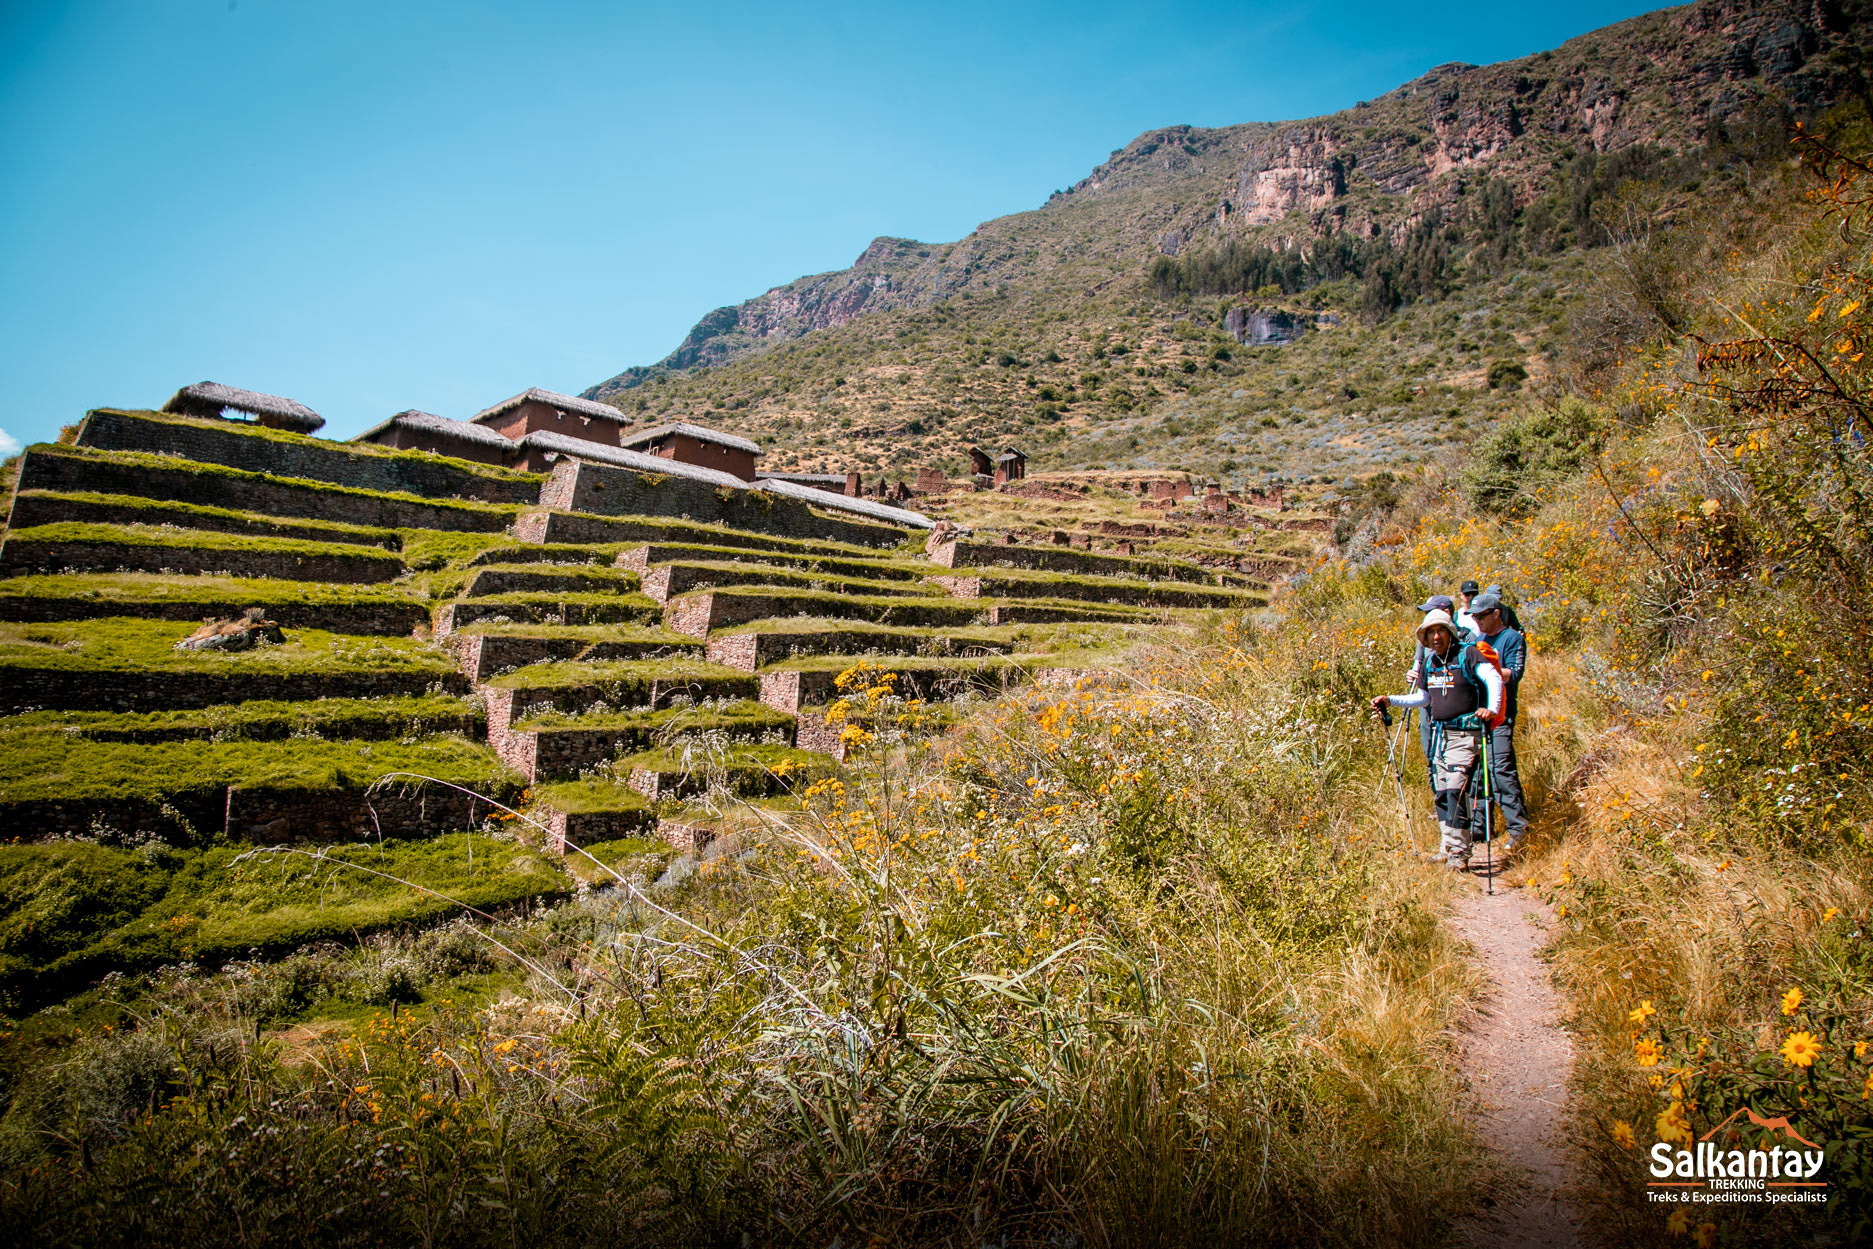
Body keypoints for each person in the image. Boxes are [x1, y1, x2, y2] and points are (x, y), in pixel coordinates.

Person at [1372, 609, 1506, 871]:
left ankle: (1459, 852)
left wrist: (1491, 708)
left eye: (1440, 630)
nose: (1436, 637)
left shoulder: (1467, 654)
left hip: (1465, 735)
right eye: (1431, 632)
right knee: (1442, 793)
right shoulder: (1430, 663)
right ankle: (1448, 848)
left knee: (1455, 790)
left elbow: (1492, 677)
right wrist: (1390, 700)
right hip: (1439, 737)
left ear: (1450, 632)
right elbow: (1423, 698)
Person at [1466, 590, 1530, 854]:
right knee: (1478, 772)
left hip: (1502, 714)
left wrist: (1487, 670)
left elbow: (1514, 674)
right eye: (1474, 616)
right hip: (1479, 714)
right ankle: (1480, 828)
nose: (1477, 621)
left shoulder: (1512, 638)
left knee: (1500, 769)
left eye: (1481, 616)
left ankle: (1519, 829)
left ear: (1496, 613)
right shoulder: (1478, 640)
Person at [1404, 594, 1476, 790]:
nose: (1426, 617)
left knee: (1459, 767)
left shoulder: (1467, 638)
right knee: (1431, 749)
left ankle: (1461, 798)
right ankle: (1437, 792)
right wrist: (1412, 674)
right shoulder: (1425, 638)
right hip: (1429, 703)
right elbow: (1418, 663)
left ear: (1447, 613)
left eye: (1430, 612)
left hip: (1459, 718)